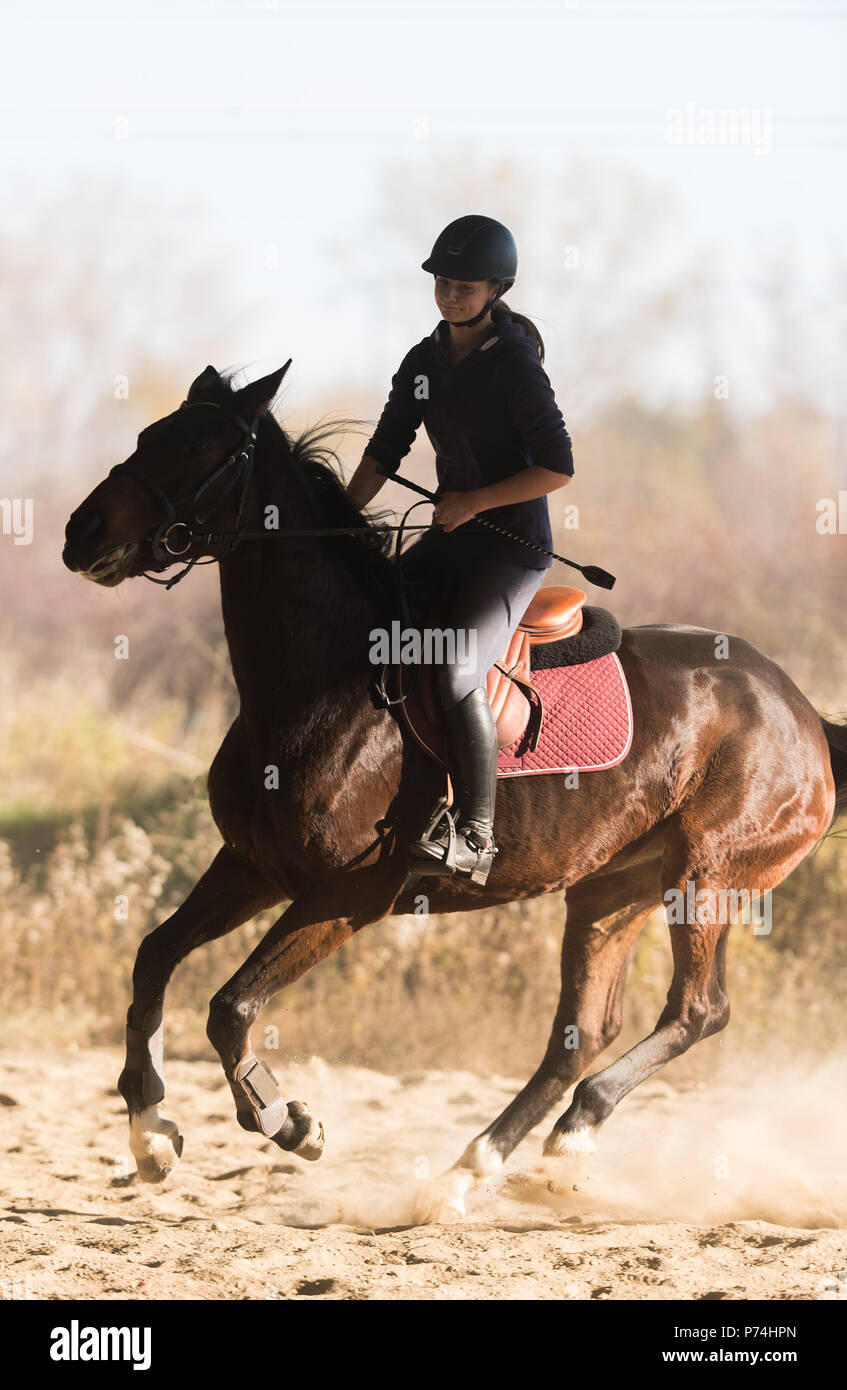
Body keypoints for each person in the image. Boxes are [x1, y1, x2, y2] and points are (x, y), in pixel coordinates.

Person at [347, 214, 574, 885]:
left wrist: (474, 501)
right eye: (442, 282)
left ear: (495, 288)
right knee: (369, 622)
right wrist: (339, 517)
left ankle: (474, 834)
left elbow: (557, 469)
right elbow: (385, 451)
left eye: (464, 286)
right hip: (448, 541)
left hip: (509, 549)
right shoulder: (422, 362)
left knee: (450, 670)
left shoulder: (514, 368)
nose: (450, 295)